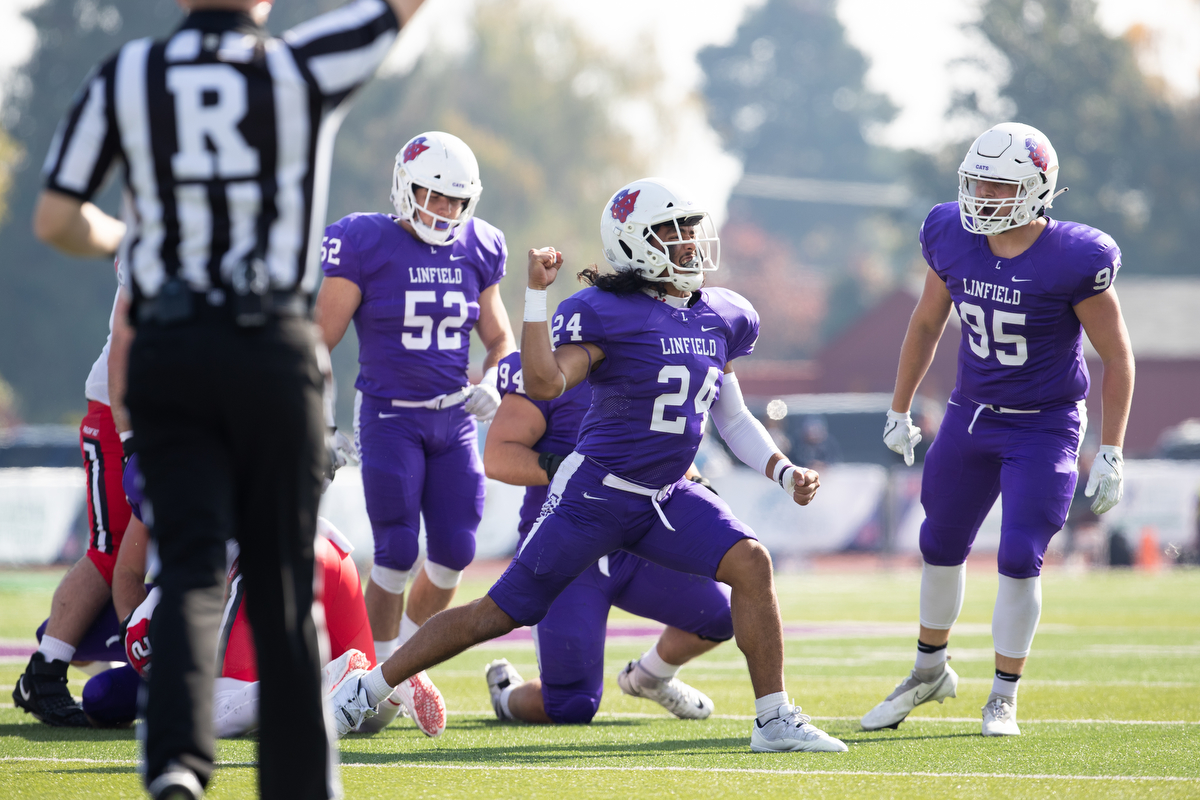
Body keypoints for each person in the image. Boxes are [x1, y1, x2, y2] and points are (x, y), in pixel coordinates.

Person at [32, 0, 424, 795]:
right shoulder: (298, 67)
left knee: (191, 573)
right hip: (270, 346)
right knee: (281, 585)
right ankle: (299, 782)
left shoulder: (129, 73)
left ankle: (177, 766)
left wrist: (129, 241)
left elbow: (56, 219)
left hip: (174, 349)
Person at [332, 177, 848, 754]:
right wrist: (535, 296)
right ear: (635, 243)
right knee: (496, 614)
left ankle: (773, 718)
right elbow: (545, 382)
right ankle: (364, 689)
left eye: (689, 228)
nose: (689, 241)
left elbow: (732, 416)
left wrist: (782, 470)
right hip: (596, 497)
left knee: (751, 562)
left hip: (666, 495)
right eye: (671, 231)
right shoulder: (606, 312)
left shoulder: (722, 315)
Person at [865, 122, 1134, 737]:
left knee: (1019, 553)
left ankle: (1003, 695)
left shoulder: (1073, 258)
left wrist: (1112, 449)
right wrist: (899, 407)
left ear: (1036, 188)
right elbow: (926, 322)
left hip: (1045, 425)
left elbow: (1117, 357)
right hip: (971, 414)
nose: (982, 196)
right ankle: (928, 671)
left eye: (998, 185)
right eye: (977, 182)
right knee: (939, 542)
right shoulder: (950, 235)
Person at [314, 130, 515, 736]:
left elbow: (500, 339)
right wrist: (319, 421)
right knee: (397, 550)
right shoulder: (365, 240)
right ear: (405, 188)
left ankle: (396, 668)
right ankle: (376, 679)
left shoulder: (480, 245)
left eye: (457, 200)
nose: (445, 210)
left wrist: (495, 380)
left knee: (455, 550)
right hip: (389, 415)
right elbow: (317, 340)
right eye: (434, 195)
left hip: (454, 418)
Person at [481, 349, 732, 724]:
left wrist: (698, 484)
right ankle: (507, 695)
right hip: (566, 546)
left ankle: (650, 677)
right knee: (571, 705)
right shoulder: (544, 369)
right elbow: (498, 456)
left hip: (638, 541)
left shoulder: (647, 357)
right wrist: (572, 468)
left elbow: (667, 440)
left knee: (722, 615)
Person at [12, 261, 151, 728]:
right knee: (113, 551)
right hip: (120, 412)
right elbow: (123, 348)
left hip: (174, 418)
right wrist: (130, 441)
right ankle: (46, 671)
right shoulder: (156, 240)